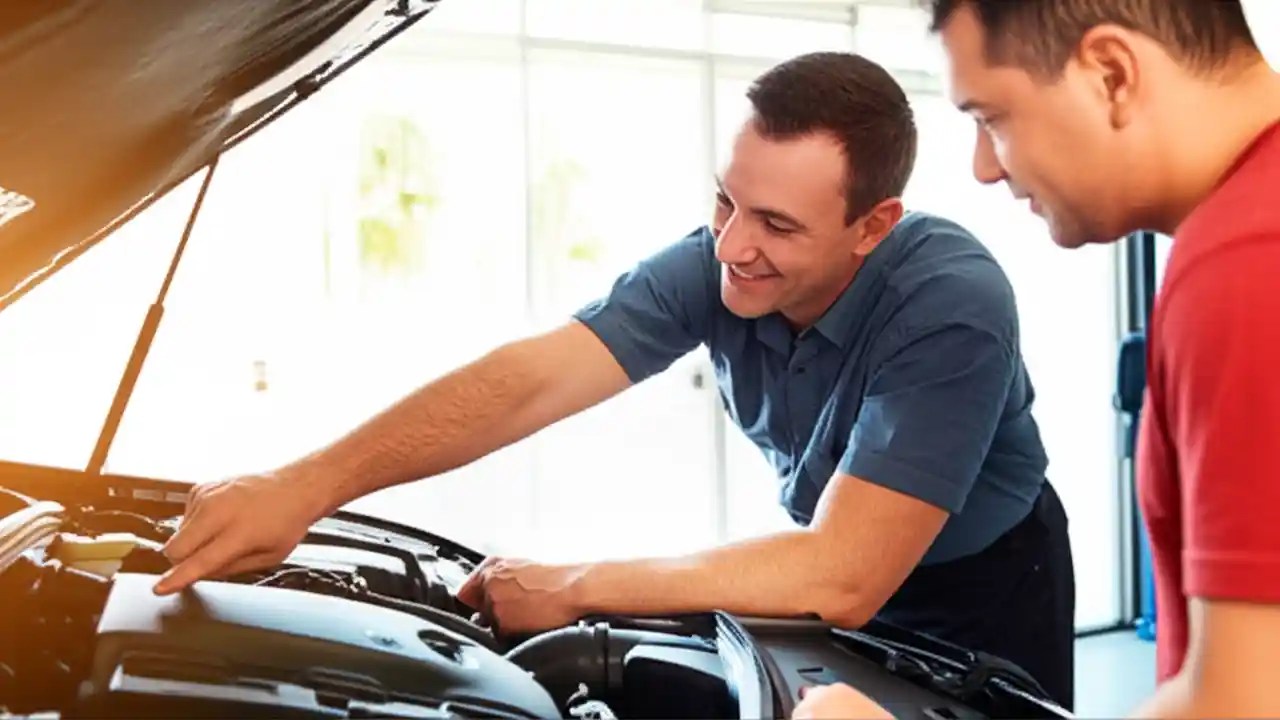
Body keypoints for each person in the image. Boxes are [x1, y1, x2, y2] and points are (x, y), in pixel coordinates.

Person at [153, 51, 1075, 708]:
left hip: (982, 588)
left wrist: (581, 582)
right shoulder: (718, 263)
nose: (733, 246)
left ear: (872, 228)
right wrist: (307, 484)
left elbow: (844, 576)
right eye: (725, 200)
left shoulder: (950, 301)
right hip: (827, 561)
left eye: (777, 226)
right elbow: (526, 382)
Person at [793, 0, 1280, 717]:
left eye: (992, 119)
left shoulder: (1243, 269)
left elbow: (1240, 704)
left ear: (1110, 74)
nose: (984, 168)